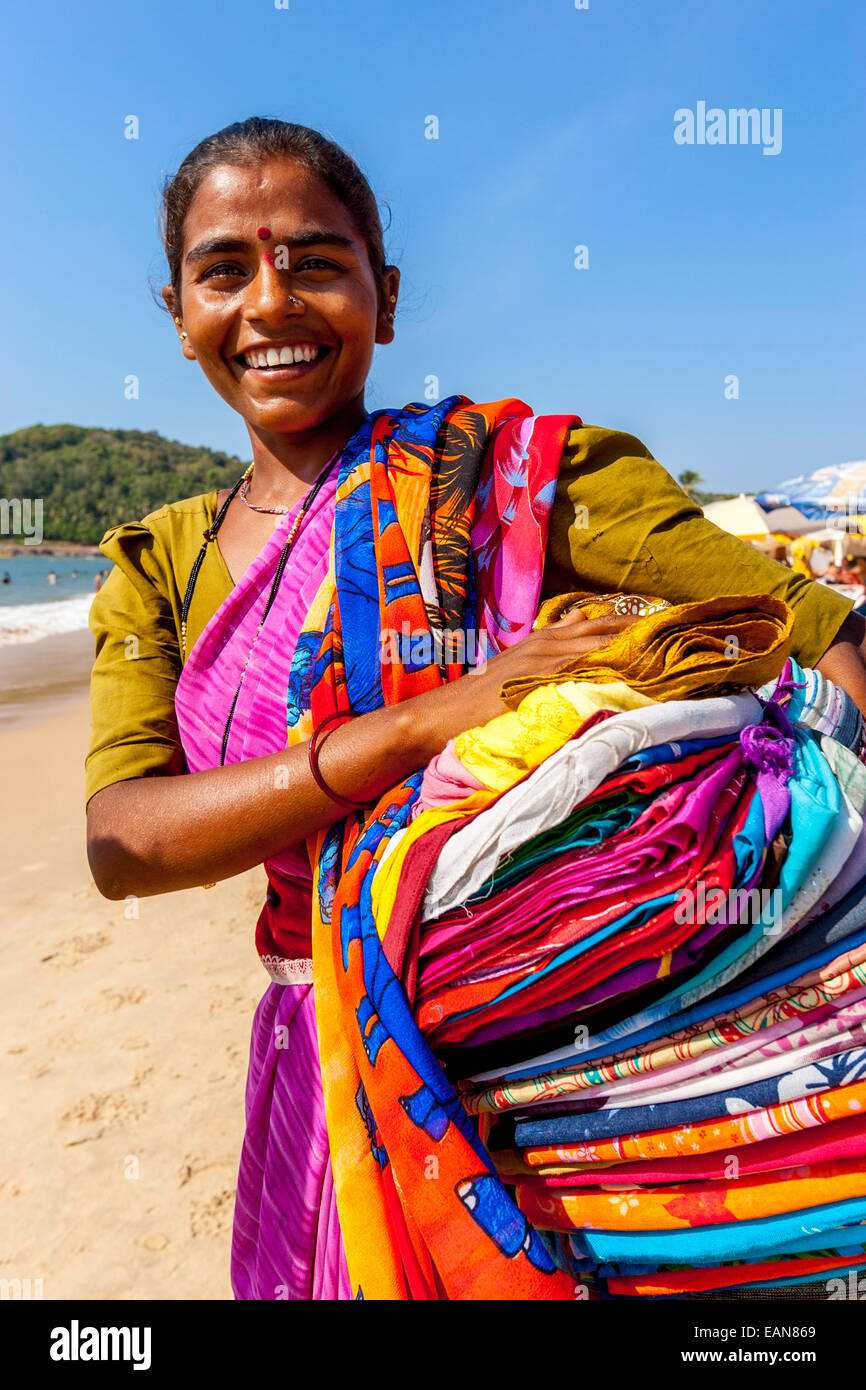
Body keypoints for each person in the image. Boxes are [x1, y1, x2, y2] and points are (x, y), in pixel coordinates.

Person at [85, 117, 866, 1301]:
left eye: (315, 260)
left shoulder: (517, 482)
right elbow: (125, 841)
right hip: (323, 1053)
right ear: (178, 312)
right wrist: (423, 721)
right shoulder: (161, 563)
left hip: (576, 1065)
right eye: (224, 270)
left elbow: (816, 629)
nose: (271, 302)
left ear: (384, 296)